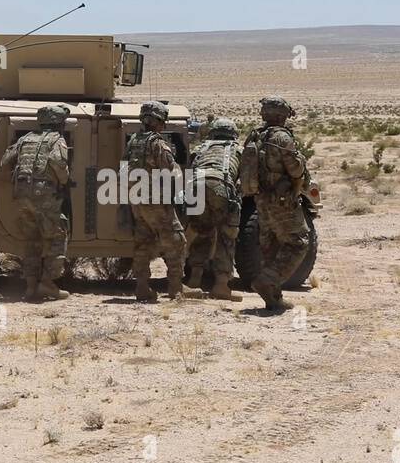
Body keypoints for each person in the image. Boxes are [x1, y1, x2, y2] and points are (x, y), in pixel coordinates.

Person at [0, 105, 72, 301]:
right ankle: (48, 282)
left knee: (31, 239)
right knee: (58, 234)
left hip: (22, 194)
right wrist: (65, 180)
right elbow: (59, 164)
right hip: (45, 195)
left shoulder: (25, 139)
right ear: (59, 123)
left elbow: (4, 161)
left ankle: (31, 286)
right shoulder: (57, 140)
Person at [246, 96, 309, 312]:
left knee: (270, 248)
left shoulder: (256, 136)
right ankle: (267, 281)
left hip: (261, 201)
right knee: (298, 243)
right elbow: (296, 170)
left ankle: (273, 299)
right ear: (282, 116)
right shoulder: (282, 138)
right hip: (282, 202)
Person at [123, 101, 188, 302]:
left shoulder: (133, 141)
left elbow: (124, 169)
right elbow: (172, 171)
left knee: (142, 242)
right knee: (176, 241)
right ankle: (176, 289)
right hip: (156, 201)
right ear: (158, 121)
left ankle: (142, 287)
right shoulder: (157, 143)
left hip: (138, 200)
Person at [187, 118, 242, 300]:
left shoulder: (201, 148)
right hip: (220, 186)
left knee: (201, 231)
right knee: (226, 236)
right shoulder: (237, 150)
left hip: (195, 186)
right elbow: (248, 180)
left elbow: (190, 168)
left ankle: (195, 280)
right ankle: (221, 285)